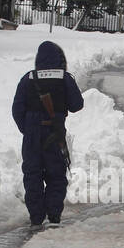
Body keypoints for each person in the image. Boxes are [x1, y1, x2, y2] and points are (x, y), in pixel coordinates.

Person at [12, 40, 84, 227]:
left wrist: (27, 128)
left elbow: (17, 108)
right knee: (56, 174)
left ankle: (36, 217)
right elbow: (77, 105)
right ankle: (53, 216)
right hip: (55, 132)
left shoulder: (27, 78)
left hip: (32, 134)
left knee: (32, 174)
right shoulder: (64, 78)